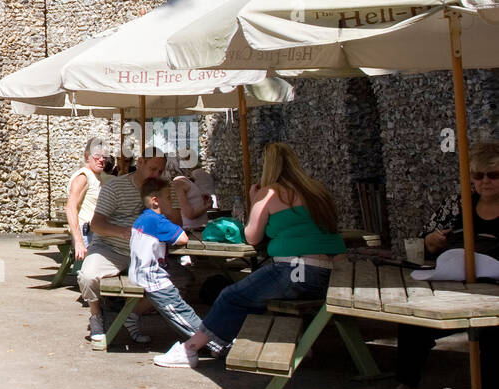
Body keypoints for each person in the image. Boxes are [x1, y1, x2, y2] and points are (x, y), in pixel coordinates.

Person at [155, 142, 346, 367]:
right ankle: (294, 342)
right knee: (269, 295)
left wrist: (255, 199)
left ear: (268, 167)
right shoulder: (317, 191)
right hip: (333, 273)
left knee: (231, 296)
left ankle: (190, 349)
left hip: (297, 270)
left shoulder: (271, 192)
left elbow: (252, 236)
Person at [380, 141, 499, 389]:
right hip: (456, 288)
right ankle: (406, 386)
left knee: (493, 335)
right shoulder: (459, 205)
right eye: (478, 176)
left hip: (493, 295)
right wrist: (430, 242)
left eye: (493, 175)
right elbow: (419, 244)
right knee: (412, 319)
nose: (485, 182)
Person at [78, 149, 168, 347]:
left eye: (160, 171)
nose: (156, 175)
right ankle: (95, 316)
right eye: (153, 169)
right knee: (87, 275)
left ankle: (132, 315)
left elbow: (176, 222)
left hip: (144, 253)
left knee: (180, 281)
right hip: (111, 249)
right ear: (141, 162)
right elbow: (96, 225)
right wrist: (122, 232)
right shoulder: (116, 188)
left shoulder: (161, 188)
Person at [132, 177, 224, 356]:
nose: (172, 202)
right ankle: (216, 343)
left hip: (141, 273)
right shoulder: (157, 220)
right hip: (153, 278)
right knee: (181, 313)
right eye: (168, 197)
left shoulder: (143, 218)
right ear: (155, 201)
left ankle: (214, 339)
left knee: (182, 308)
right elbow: (182, 238)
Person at [65, 135, 110, 264]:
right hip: (86, 235)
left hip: (96, 234)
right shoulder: (83, 177)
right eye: (97, 156)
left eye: (104, 156)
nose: (101, 160)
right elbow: (70, 207)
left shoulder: (96, 177)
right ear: (87, 157)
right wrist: (78, 241)